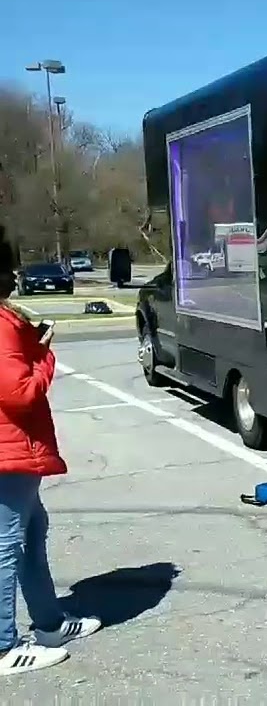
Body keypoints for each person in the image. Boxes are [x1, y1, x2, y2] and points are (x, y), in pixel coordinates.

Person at [0, 232, 102, 675]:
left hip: (12, 449)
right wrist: (43, 356)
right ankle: (4, 646)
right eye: (8, 269)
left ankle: (49, 623)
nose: (14, 277)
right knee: (7, 544)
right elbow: (20, 392)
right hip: (8, 450)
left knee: (31, 531)